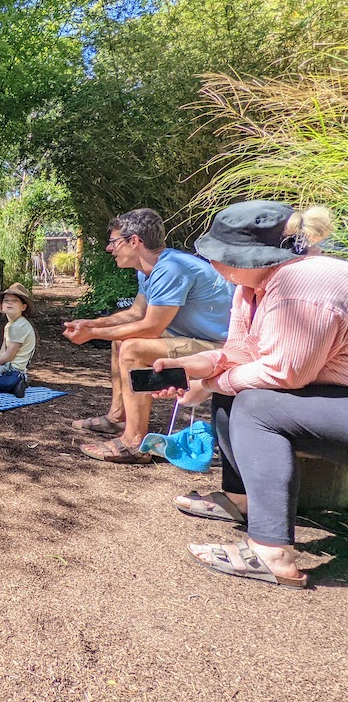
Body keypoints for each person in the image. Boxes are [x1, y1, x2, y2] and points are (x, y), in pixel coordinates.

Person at [153, 201, 347, 589]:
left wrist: (206, 386)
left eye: (219, 256)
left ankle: (272, 551)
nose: (212, 264)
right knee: (235, 384)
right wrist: (201, 365)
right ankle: (239, 498)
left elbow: (282, 372)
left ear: (252, 257)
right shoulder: (253, 285)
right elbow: (242, 352)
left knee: (256, 406)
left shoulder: (300, 284)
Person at [62, 208, 234, 463]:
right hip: (193, 337)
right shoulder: (147, 269)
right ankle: (117, 418)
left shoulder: (171, 268)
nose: (110, 249)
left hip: (220, 347)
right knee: (122, 341)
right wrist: (91, 324)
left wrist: (95, 334)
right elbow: (136, 313)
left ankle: (133, 444)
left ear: (135, 241)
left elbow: (151, 327)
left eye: (114, 242)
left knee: (133, 348)